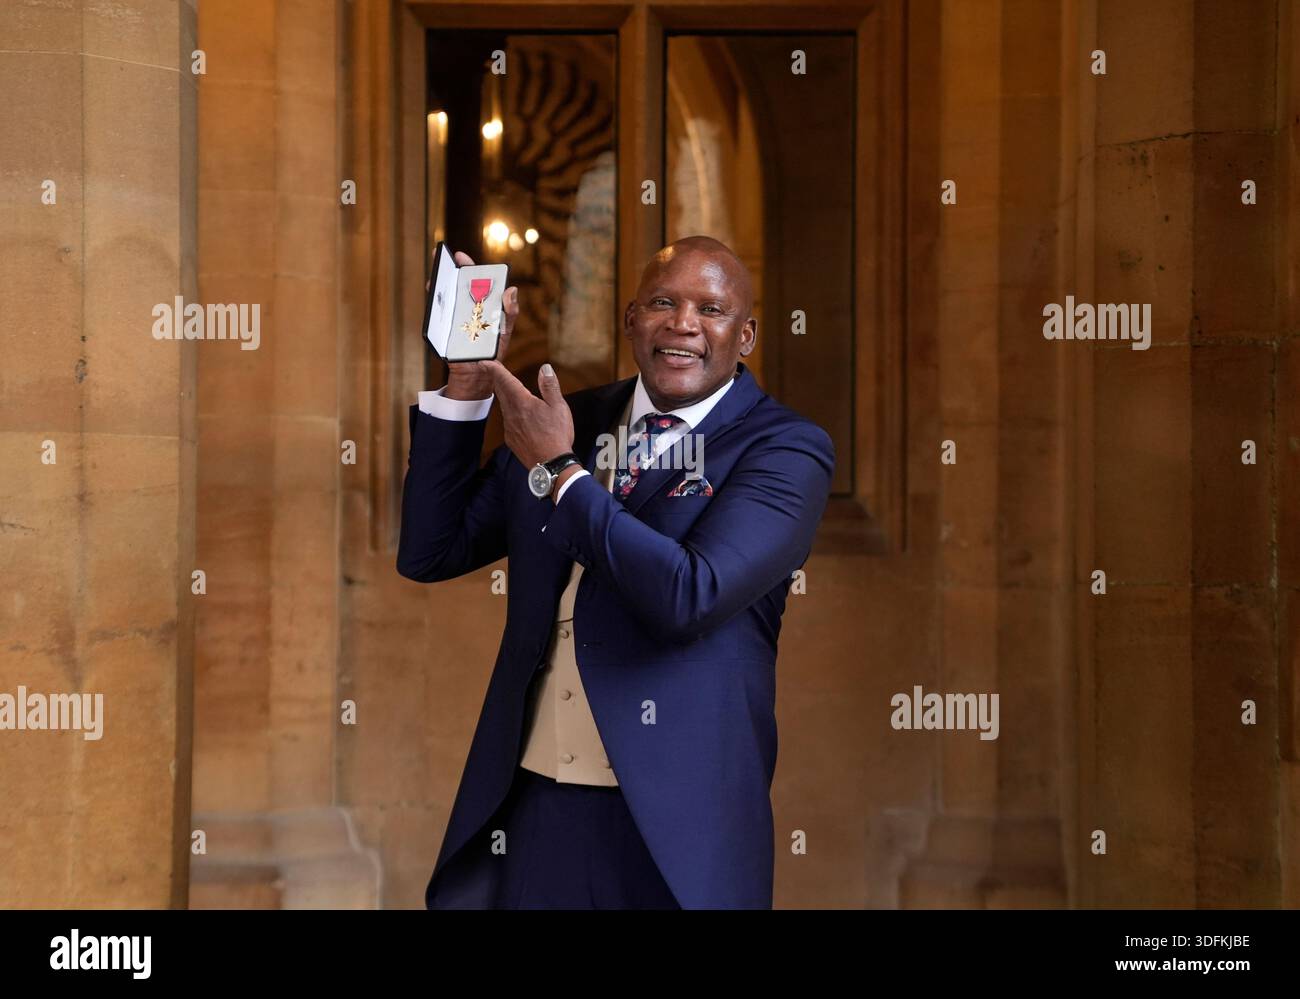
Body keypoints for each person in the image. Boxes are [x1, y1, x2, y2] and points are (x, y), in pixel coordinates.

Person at [397, 235, 835, 908]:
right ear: (631, 319)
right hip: (535, 809)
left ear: (745, 334)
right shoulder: (568, 418)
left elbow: (691, 594)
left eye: (711, 309)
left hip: (678, 833)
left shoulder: (785, 449)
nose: (683, 322)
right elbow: (432, 550)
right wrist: (465, 383)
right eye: (662, 301)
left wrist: (562, 473)